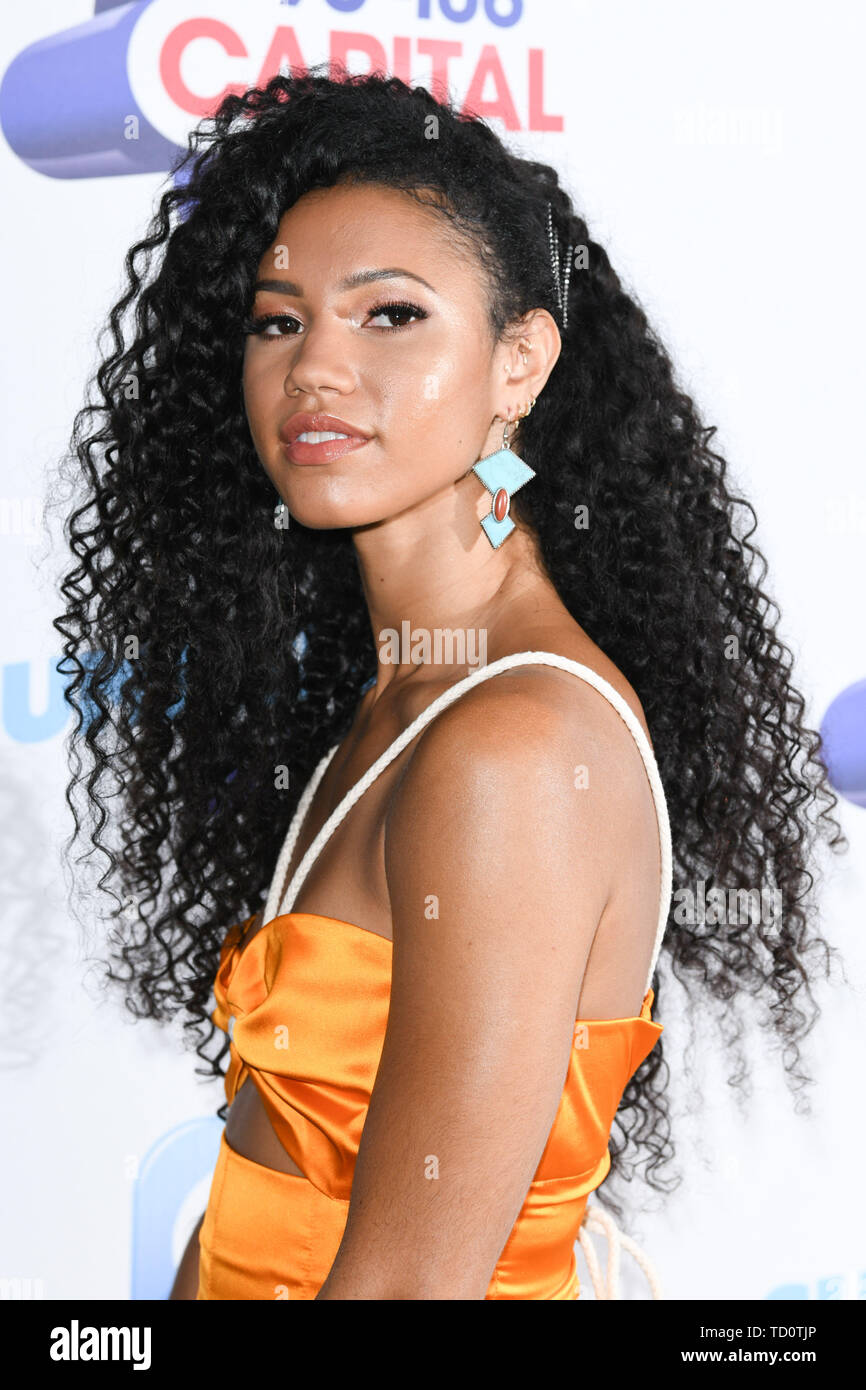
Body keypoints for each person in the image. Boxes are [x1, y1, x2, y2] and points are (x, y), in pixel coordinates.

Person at [53, 66, 846, 1300]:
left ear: (518, 363)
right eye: (277, 320)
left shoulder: (514, 747)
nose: (315, 367)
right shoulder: (402, 698)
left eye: (390, 315)